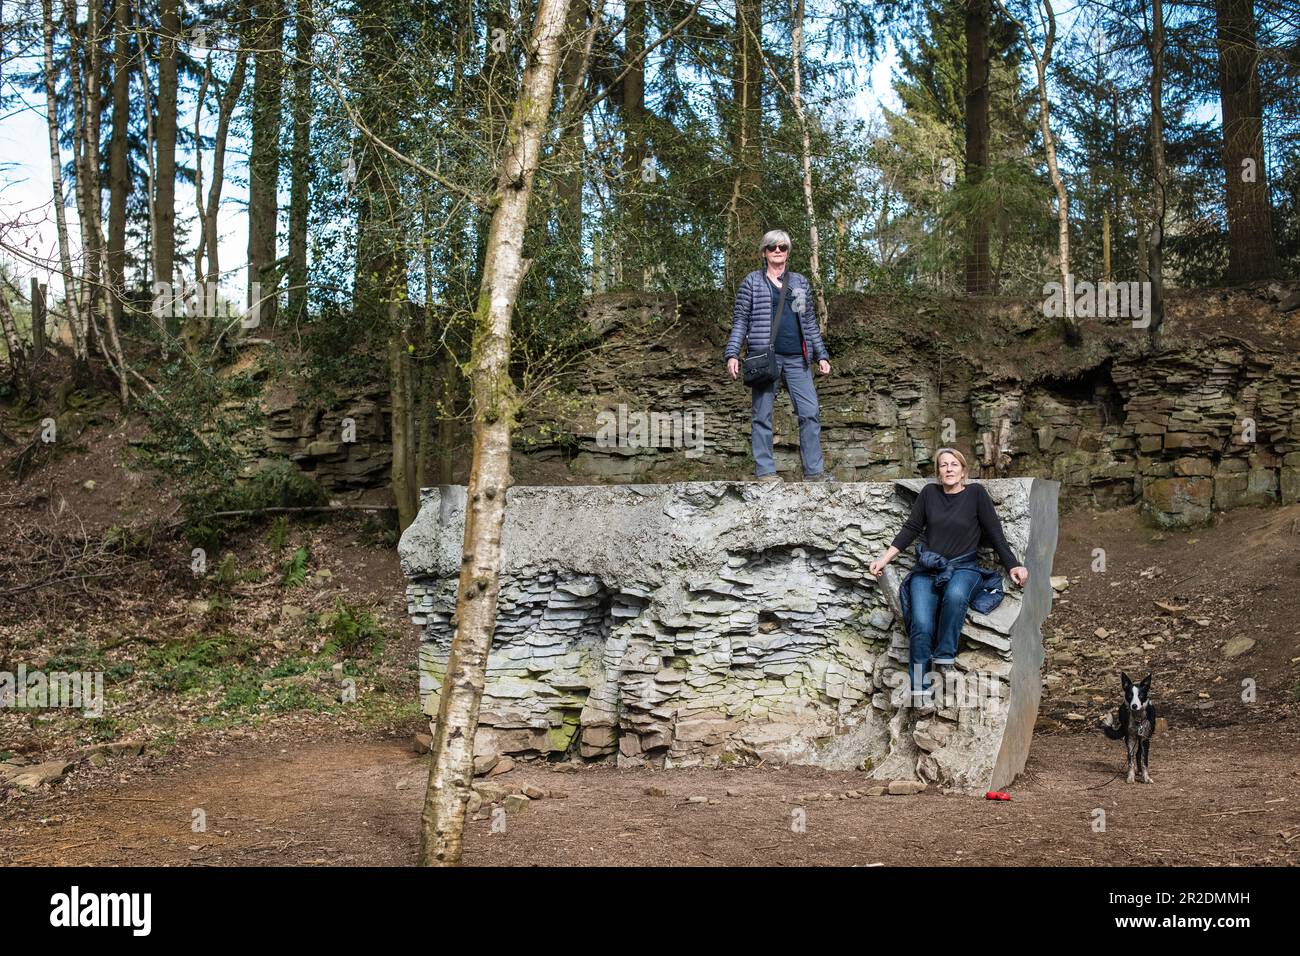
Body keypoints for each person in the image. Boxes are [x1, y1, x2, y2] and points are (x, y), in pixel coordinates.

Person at [867, 448, 1030, 709]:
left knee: (955, 596)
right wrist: (883, 560)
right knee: (920, 623)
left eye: (954, 464)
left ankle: (944, 655)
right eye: (944, 465)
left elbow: (996, 534)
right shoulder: (929, 495)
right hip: (928, 568)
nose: (949, 469)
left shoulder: (976, 494)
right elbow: (909, 530)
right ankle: (920, 691)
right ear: (938, 472)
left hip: (964, 567)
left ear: (964, 471)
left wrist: (1013, 565)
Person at [724, 230, 834, 482]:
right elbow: (740, 320)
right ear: (764, 252)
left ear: (787, 252)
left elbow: (808, 322)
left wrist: (822, 356)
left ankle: (814, 473)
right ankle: (765, 472)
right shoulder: (752, 282)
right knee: (762, 415)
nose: (777, 250)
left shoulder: (798, 283)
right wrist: (733, 353)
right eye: (772, 246)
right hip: (764, 358)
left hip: (798, 358)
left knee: (810, 412)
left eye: (782, 247)